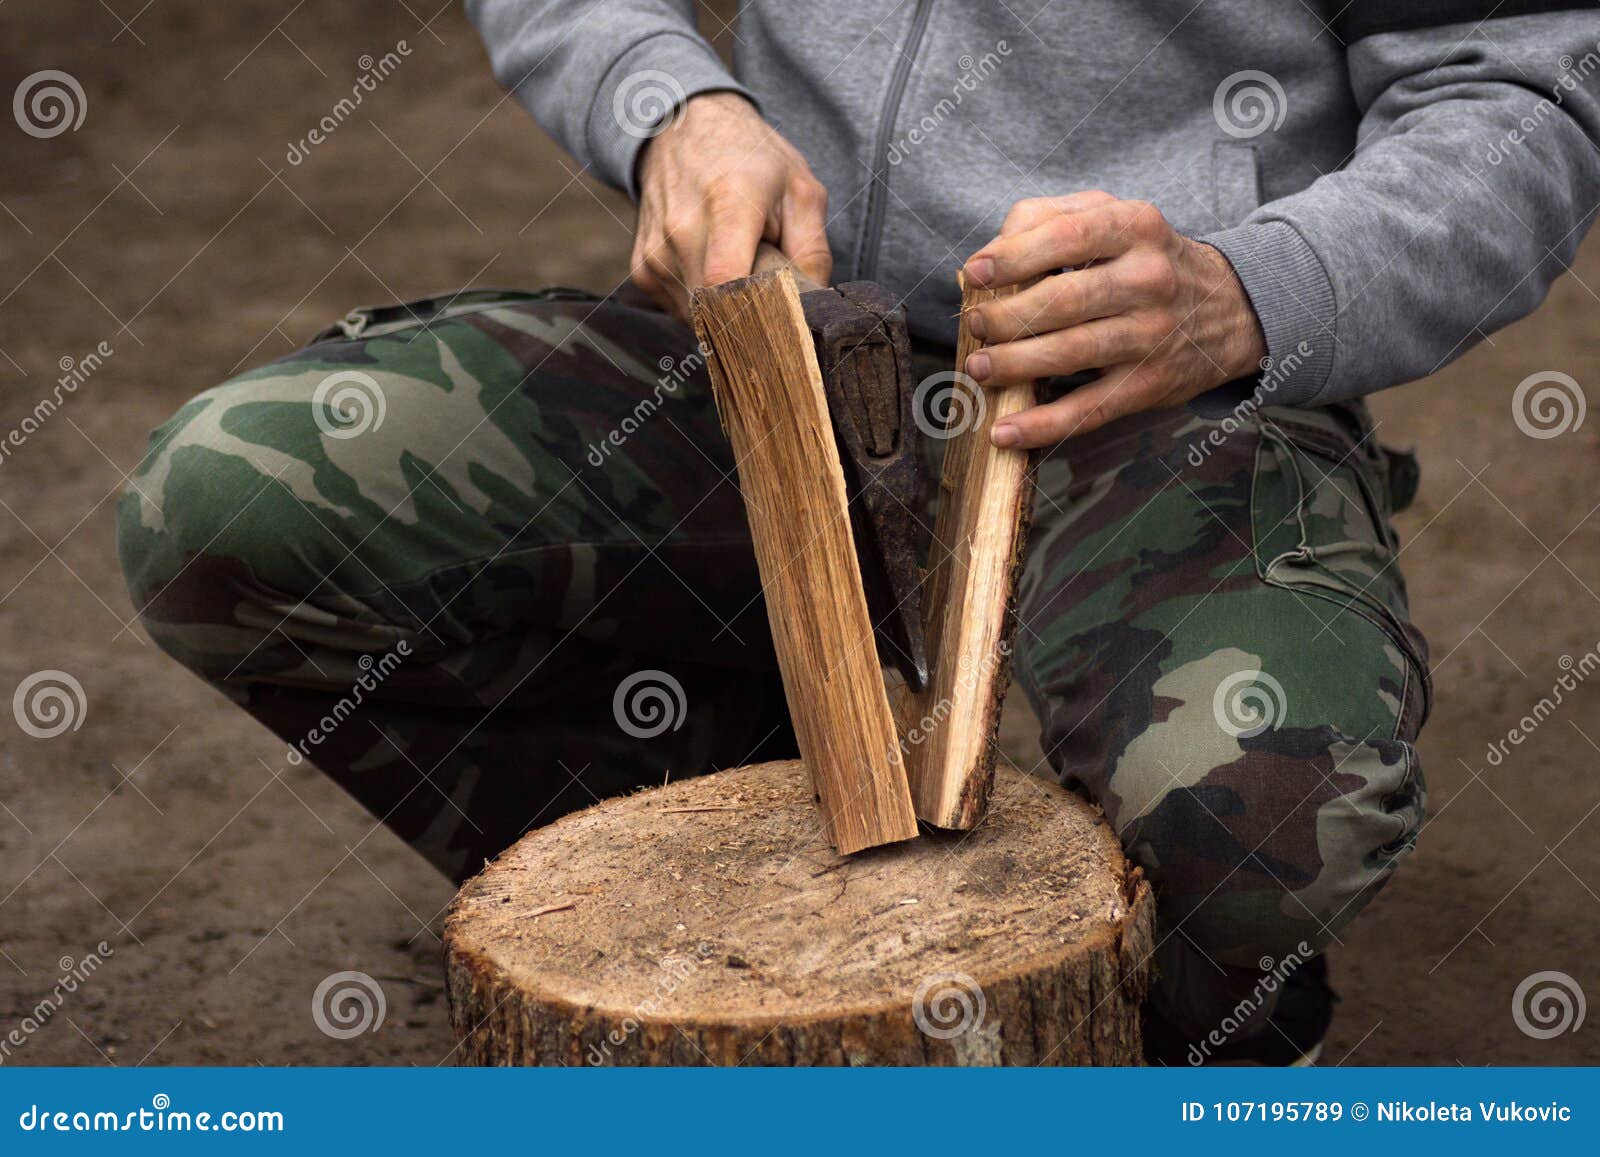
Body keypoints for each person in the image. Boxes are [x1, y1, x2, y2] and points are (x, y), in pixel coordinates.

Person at [118, 1, 1600, 1064]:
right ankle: (771, 906)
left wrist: (1253, 289)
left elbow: (1528, 86)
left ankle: (1172, 1031)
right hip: (792, 336)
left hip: (1164, 371)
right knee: (236, 509)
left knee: (1263, 818)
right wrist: (668, 102)